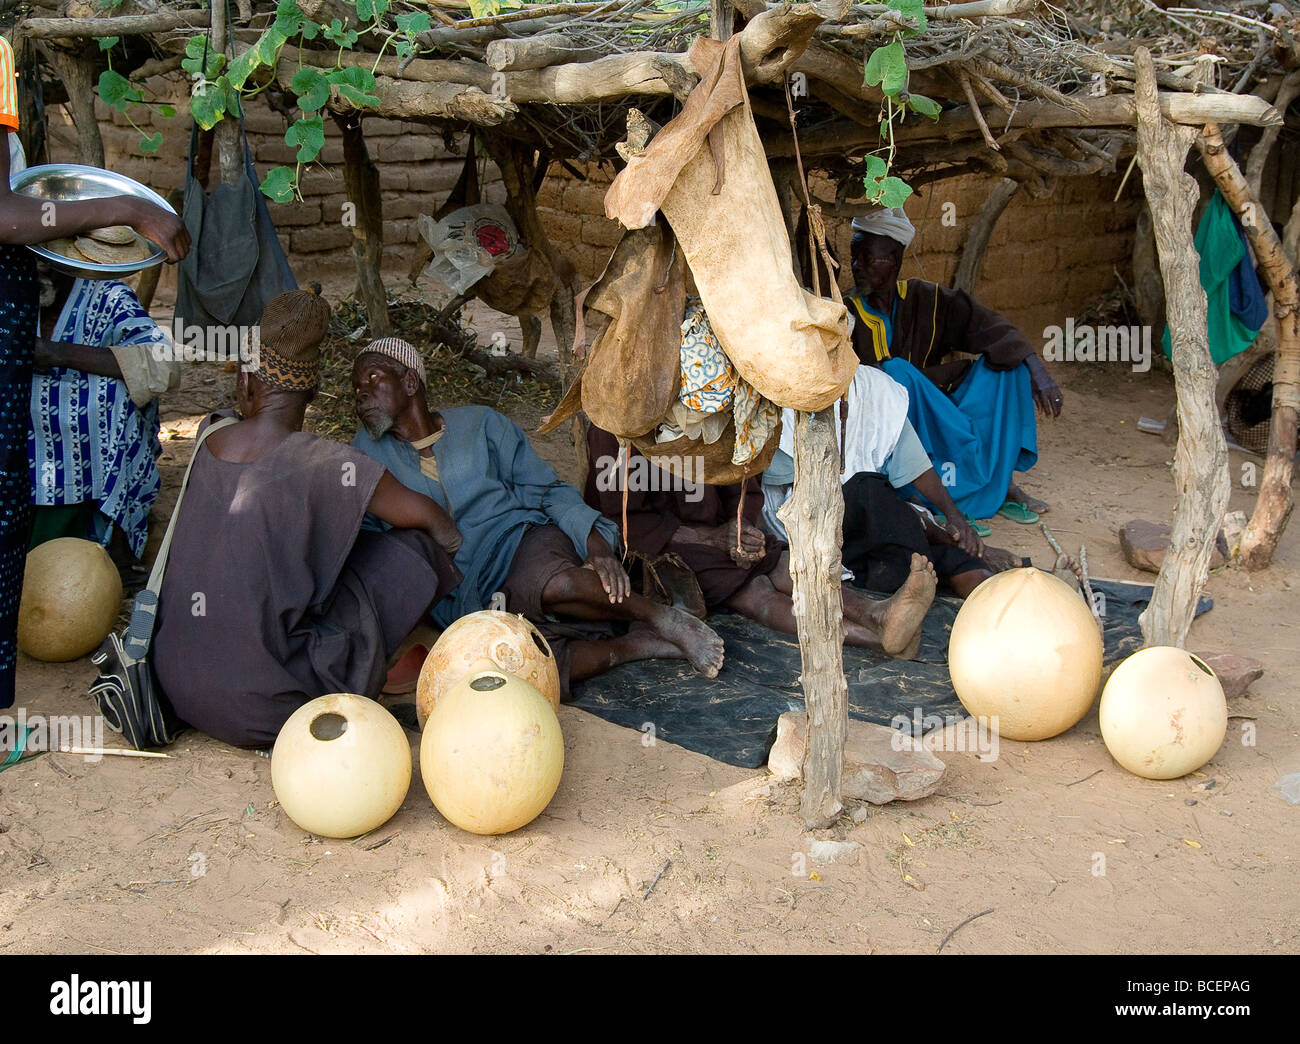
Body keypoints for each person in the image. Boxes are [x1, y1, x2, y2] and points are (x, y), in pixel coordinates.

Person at [151, 294, 462, 748]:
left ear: (245, 383)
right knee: (415, 549)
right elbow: (438, 525)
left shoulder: (209, 434)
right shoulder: (332, 464)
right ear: (315, 392)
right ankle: (370, 670)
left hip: (177, 686)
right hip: (272, 710)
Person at [349, 338, 732, 694]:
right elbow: (371, 539)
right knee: (529, 664)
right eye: (354, 387)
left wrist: (593, 543)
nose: (360, 393)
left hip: (519, 539)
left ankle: (662, 618)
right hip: (465, 588)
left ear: (411, 381)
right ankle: (633, 645)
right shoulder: (363, 457)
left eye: (373, 377)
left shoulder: (482, 425)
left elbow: (545, 489)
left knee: (557, 585)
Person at [0, 33, 188, 709]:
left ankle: (96, 549)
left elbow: (163, 368)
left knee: (102, 404)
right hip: (22, 483)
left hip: (87, 487)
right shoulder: (16, 306)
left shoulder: (102, 299)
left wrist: (58, 357)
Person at [585, 423, 939, 657]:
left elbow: (742, 479)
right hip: (653, 550)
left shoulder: (709, 404)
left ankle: (877, 614)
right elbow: (623, 521)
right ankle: (876, 640)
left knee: (783, 562)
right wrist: (713, 537)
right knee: (758, 592)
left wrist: (741, 529)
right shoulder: (614, 425)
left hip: (716, 535)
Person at [846, 207, 1060, 524]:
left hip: (940, 407)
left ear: (895, 260)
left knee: (1011, 369)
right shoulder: (845, 310)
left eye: (868, 257)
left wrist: (1037, 370)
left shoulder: (927, 298)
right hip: (892, 426)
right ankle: (922, 497)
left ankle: (1003, 483)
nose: (857, 266)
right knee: (894, 374)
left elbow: (992, 328)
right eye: (854, 257)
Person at [761, 363, 1012, 599]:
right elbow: (788, 496)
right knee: (870, 492)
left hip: (876, 528)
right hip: (813, 527)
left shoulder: (875, 388)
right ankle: (914, 572)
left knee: (952, 557)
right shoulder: (780, 389)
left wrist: (955, 518)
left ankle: (991, 601)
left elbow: (917, 466)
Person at [28, 262, 179, 568]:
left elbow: (163, 366)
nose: (39, 267)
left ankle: (111, 553)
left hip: (91, 446)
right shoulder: (11, 292)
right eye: (32, 254)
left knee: (111, 397)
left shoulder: (109, 296)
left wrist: (56, 353)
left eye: (49, 257)